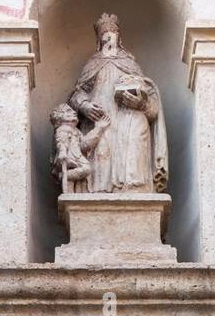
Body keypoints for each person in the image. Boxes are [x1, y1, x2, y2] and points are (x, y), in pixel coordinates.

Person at [67, 12, 168, 194]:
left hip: (127, 118)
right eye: (104, 35)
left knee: (133, 142)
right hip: (99, 120)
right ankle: (99, 191)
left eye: (112, 34)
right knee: (101, 151)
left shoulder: (129, 63)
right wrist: (84, 106)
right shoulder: (93, 64)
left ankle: (132, 187)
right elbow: (76, 94)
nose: (108, 38)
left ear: (118, 37)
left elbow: (146, 93)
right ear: (99, 39)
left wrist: (139, 102)